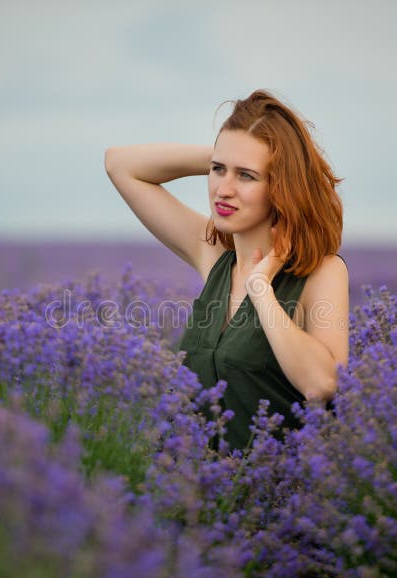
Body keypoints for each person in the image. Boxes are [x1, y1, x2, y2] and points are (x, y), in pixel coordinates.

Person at [104, 89, 348, 451]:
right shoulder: (215, 254)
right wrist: (228, 154)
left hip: (277, 498)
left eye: (247, 176)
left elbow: (321, 383)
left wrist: (261, 288)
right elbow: (119, 165)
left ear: (281, 185)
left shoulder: (321, 271)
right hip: (193, 496)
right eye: (218, 171)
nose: (224, 189)